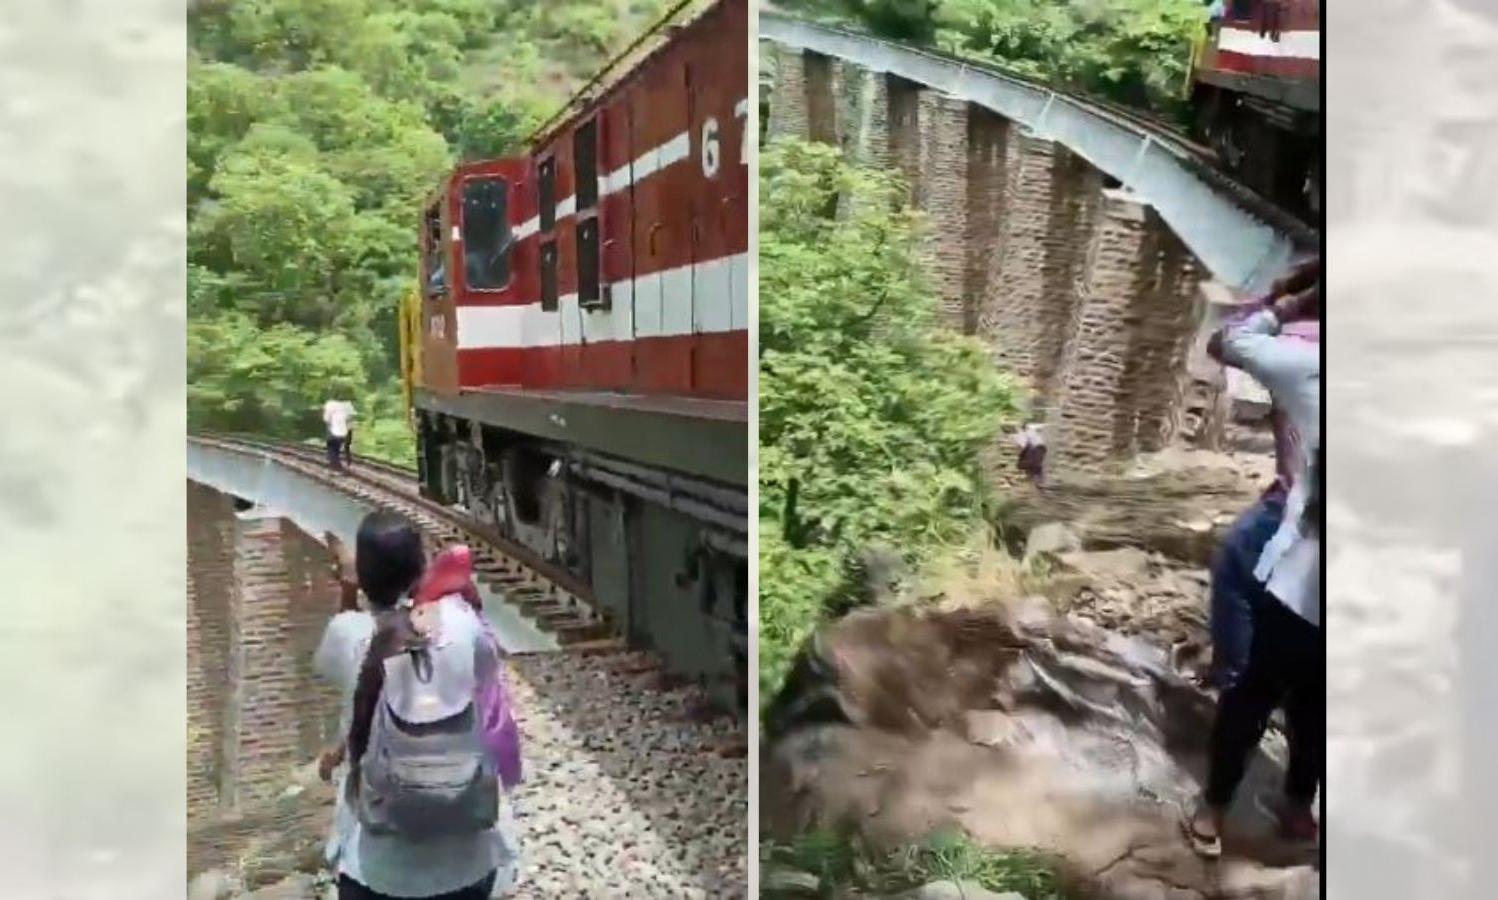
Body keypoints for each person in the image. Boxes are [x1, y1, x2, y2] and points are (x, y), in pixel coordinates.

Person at [1188, 277, 1321, 857]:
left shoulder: (1312, 369)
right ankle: (1296, 809)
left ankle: (1214, 811)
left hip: (1298, 584)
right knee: (1317, 704)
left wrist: (1290, 298)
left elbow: (1227, 340)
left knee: (1252, 696)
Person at [322, 512, 514, 900]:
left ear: (363, 576)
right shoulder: (463, 624)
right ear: (421, 569)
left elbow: (343, 659)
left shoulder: (348, 634)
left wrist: (348, 587)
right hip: (468, 870)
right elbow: (487, 682)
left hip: (377, 876)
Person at [1205, 256, 1320, 690]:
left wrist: (1282, 299)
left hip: (1299, 500)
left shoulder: (1298, 342)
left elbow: (1223, 342)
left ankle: (1236, 680)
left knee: (1237, 567)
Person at [322, 397, 356, 471]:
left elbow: (327, 420)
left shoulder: (330, 405)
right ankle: (346, 463)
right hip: (346, 430)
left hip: (335, 430)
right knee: (344, 447)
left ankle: (335, 466)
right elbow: (351, 418)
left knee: (333, 448)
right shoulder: (348, 405)